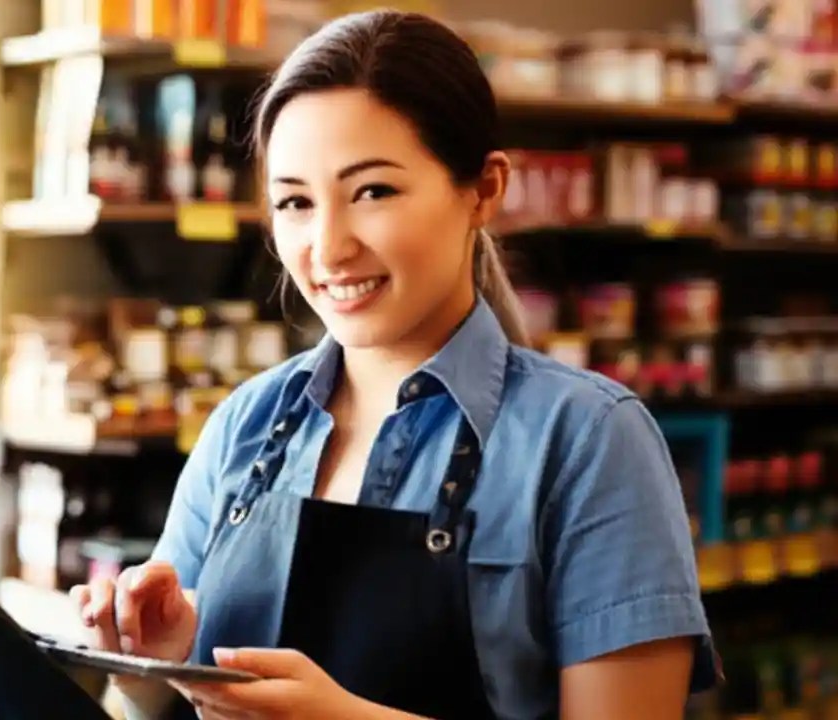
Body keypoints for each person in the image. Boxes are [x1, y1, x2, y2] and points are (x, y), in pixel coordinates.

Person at [72, 10, 719, 720]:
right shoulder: (243, 427)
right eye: (295, 202)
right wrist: (146, 672)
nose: (328, 247)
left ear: (484, 189)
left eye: (372, 192)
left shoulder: (588, 441)